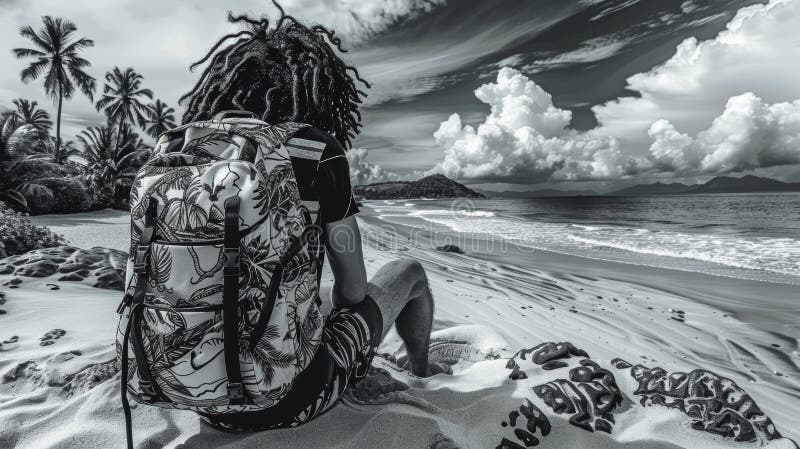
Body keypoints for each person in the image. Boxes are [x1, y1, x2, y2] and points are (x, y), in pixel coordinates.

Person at [178, 1, 435, 432]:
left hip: (184, 385)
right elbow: (353, 292)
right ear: (317, 90)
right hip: (287, 398)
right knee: (409, 271)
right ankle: (423, 375)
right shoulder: (315, 150)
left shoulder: (185, 154)